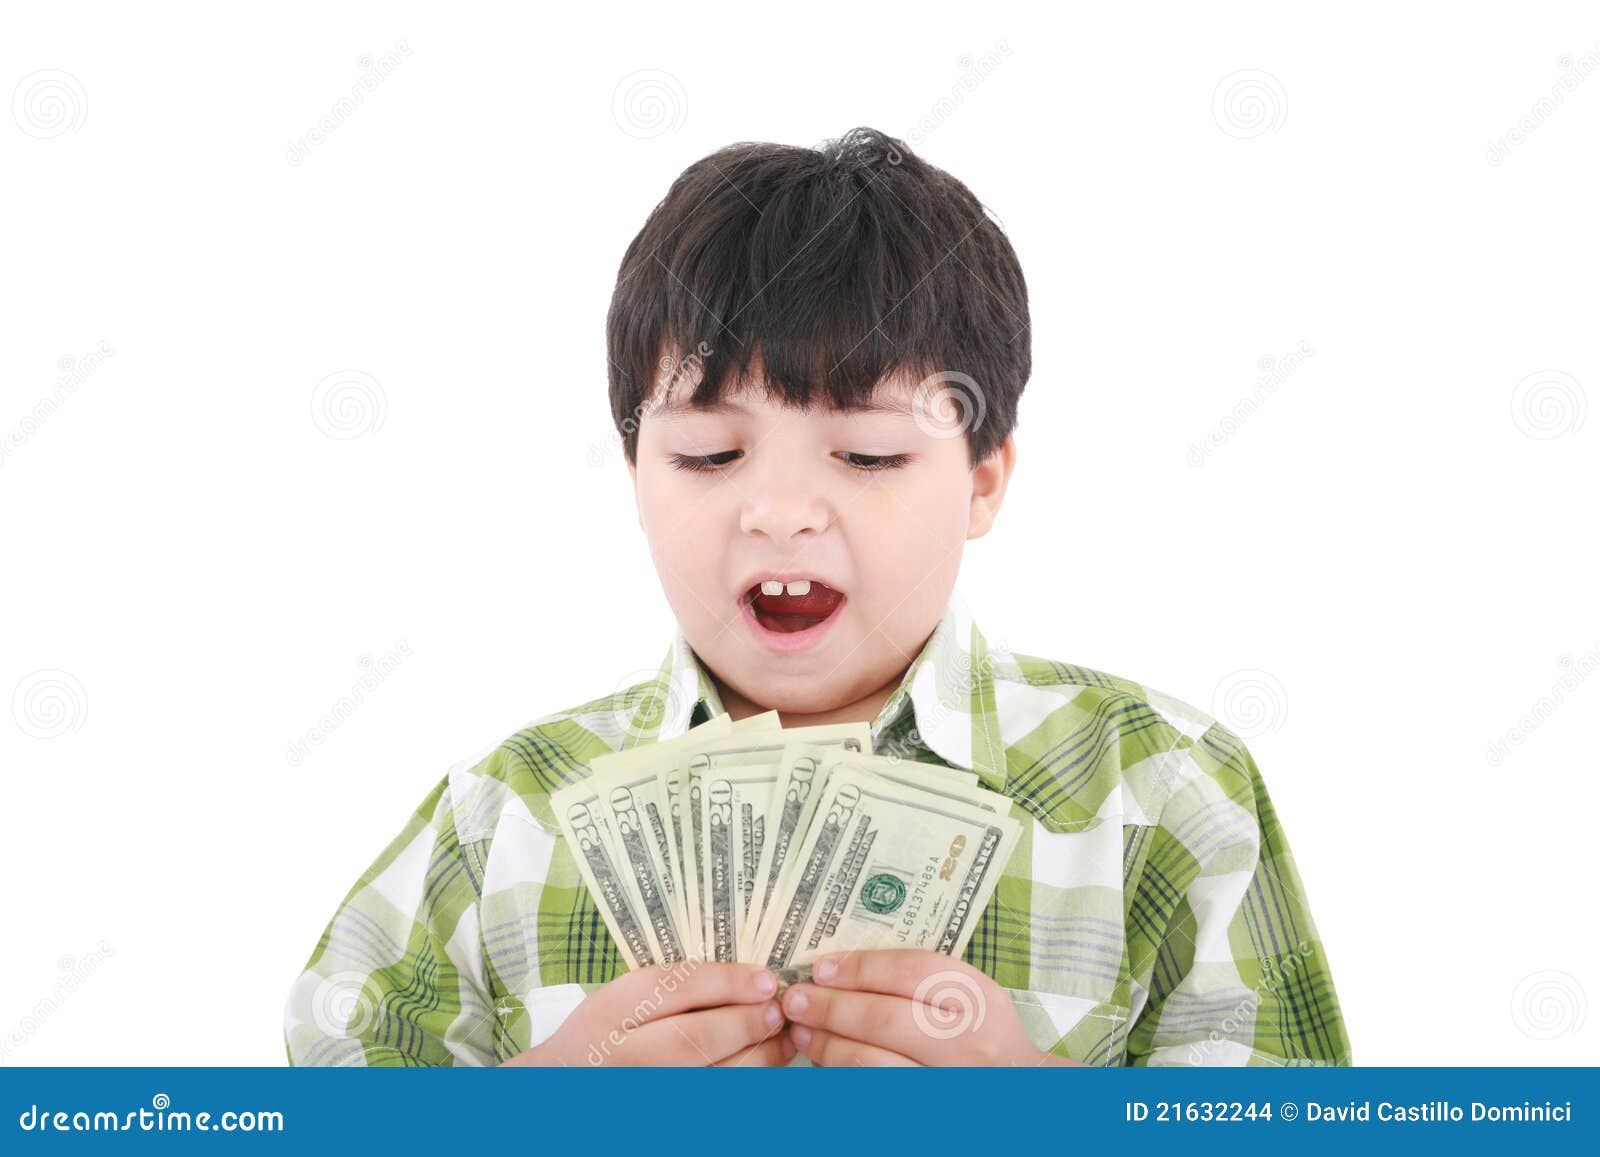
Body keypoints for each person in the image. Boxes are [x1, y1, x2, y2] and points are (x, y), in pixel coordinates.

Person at [283, 126, 1350, 1068]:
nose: (780, 510)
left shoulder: (1159, 786)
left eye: (869, 453)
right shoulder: (506, 810)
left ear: (980, 481)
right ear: (635, 480)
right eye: (708, 454)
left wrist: (1038, 1105)